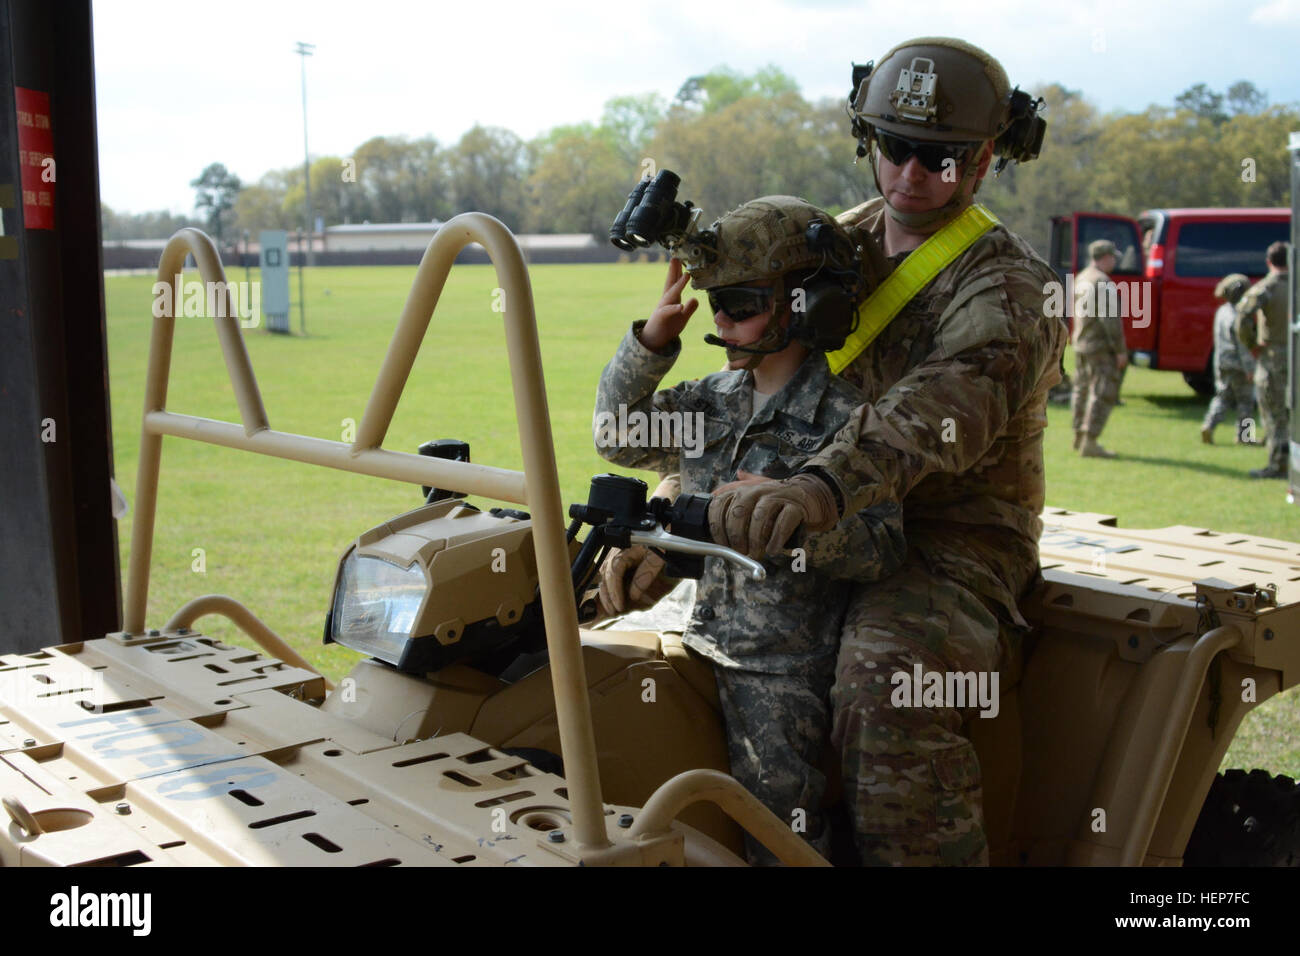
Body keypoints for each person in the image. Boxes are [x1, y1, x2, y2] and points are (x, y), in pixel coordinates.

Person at [707, 37, 1066, 865]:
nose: (911, 174)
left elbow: (939, 410)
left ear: (986, 159)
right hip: (821, 515)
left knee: (886, 686)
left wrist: (818, 487)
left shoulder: (1010, 286)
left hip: (950, 545)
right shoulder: (835, 245)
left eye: (940, 157)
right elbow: (759, 372)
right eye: (895, 148)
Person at [592, 196, 906, 863]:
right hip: (689, 631)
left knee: (778, 834)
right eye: (716, 304)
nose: (722, 322)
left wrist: (793, 521)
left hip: (778, 668)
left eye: (739, 304)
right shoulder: (708, 401)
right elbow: (616, 435)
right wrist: (652, 343)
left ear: (803, 303)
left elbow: (882, 545)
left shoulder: (849, 420)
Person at [1236, 241, 1292, 479]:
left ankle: (1278, 465)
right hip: (1295, 354)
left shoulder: (1267, 287)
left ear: (1269, 262)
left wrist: (1251, 345)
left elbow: (1243, 315)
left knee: (1274, 412)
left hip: (1274, 356)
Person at [1071, 238, 1128, 458]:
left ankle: (1078, 436)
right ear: (1105, 257)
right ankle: (1090, 441)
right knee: (1102, 392)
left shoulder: (1082, 277)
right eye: (1113, 257)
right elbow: (1110, 319)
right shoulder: (1102, 282)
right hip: (1100, 346)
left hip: (1081, 344)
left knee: (1081, 390)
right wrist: (1120, 350)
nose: (1115, 261)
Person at [1200, 273, 1255, 445]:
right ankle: (1245, 437)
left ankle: (1209, 424)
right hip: (1238, 364)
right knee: (1246, 402)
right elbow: (1243, 346)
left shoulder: (1222, 312)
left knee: (1222, 397)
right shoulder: (1239, 316)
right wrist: (1250, 368)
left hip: (1222, 362)